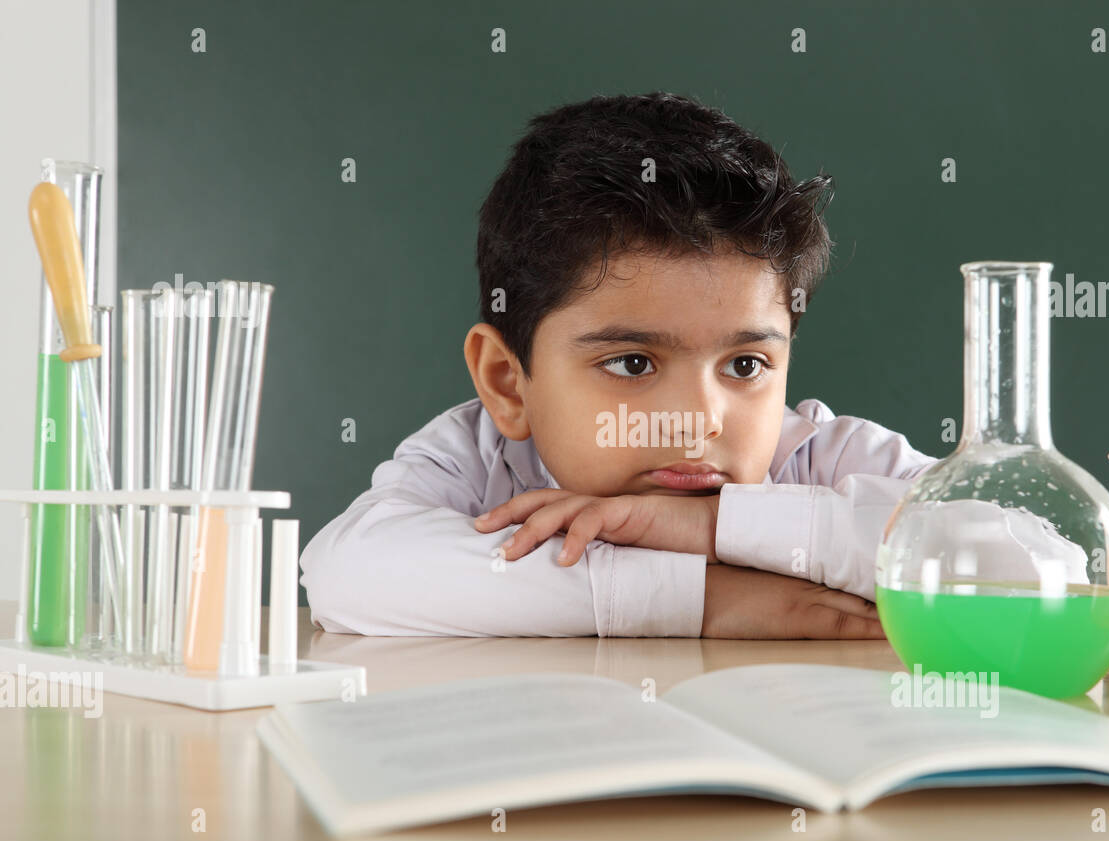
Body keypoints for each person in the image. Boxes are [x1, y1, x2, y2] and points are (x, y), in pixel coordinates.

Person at [299, 91, 938, 639]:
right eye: (632, 363)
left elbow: (1023, 554)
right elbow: (347, 571)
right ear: (506, 382)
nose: (696, 426)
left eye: (745, 366)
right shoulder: (475, 460)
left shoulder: (819, 457)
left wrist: (716, 528)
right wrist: (705, 599)